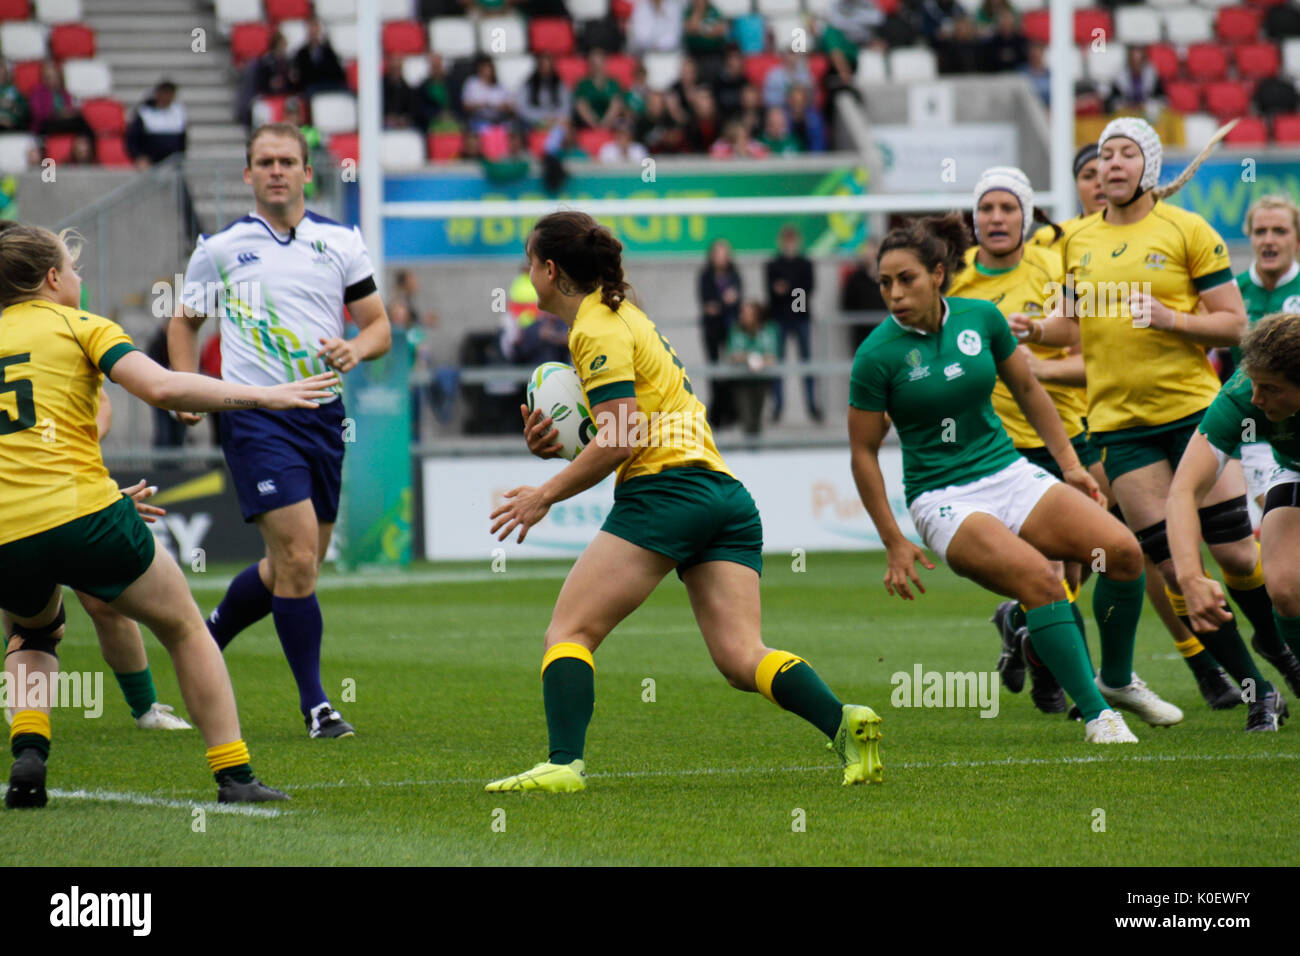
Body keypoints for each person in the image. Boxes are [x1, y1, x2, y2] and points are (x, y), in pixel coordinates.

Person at [484, 211, 884, 791]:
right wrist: (559, 449)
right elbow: (620, 426)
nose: (527, 273)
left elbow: (622, 436)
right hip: (723, 494)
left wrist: (545, 494)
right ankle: (844, 723)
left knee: (568, 633)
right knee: (743, 657)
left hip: (665, 492)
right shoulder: (627, 316)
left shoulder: (594, 328)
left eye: (529, 262)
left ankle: (564, 764)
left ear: (549, 269)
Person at [0, 220, 337, 807]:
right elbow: (162, 389)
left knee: (31, 629)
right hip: (85, 514)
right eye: (72, 269)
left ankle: (30, 752)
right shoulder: (82, 326)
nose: (77, 278)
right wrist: (264, 395)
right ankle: (234, 777)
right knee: (183, 626)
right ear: (52, 279)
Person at [848, 212, 1183, 743]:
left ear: (938, 273)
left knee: (1120, 552)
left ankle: (1116, 681)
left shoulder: (982, 318)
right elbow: (863, 452)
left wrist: (1070, 467)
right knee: (1044, 582)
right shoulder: (875, 356)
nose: (893, 293)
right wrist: (893, 539)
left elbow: (1030, 392)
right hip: (943, 498)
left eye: (905, 278)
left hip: (1009, 473)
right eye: (884, 283)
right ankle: (1099, 715)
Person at [1009, 118, 1288, 731]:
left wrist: (1171, 319)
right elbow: (1074, 328)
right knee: (1174, 571)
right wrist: (1033, 333)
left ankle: (1277, 646)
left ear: (1149, 168)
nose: (1110, 163)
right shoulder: (1075, 240)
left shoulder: (1187, 230)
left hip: (1194, 415)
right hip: (1120, 428)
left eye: (1125, 153)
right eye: (1104, 154)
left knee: (1238, 556)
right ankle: (1256, 691)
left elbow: (1236, 325)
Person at [168, 123, 392, 740]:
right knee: (296, 557)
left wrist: (355, 348)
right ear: (247, 174)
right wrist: (187, 386)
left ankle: (209, 634)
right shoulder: (219, 247)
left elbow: (378, 327)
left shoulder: (341, 240)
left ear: (306, 171)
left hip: (321, 415)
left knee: (297, 566)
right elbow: (183, 324)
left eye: (286, 161)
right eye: (264, 161)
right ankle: (318, 706)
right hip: (255, 415)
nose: (275, 170)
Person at [947, 167, 1100, 714]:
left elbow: (1082, 332)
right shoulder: (954, 277)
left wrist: (1033, 332)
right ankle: (1079, 691)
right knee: (1048, 573)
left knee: (1078, 564)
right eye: (986, 208)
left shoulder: (1054, 263)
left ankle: (1022, 631)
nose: (995, 218)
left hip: (1064, 426)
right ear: (973, 218)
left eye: (1007, 208)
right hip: (995, 447)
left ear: (1027, 215)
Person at [1168, 312, 1300, 729]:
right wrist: (1190, 576)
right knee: (1285, 588)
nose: (1257, 398)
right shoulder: (1241, 395)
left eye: (1272, 389)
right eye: (1255, 383)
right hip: (1294, 469)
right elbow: (1184, 491)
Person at [1231, 196, 1300, 517]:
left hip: (1296, 424)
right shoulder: (1231, 293)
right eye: (1260, 231)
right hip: (1253, 429)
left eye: (1280, 231)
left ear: (1296, 239)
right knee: (1275, 518)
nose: (1269, 240)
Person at [765, 224, 821, 422]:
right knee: (777, 365)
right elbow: (773, 292)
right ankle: (778, 407)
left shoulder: (805, 264)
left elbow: (806, 291)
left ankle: (812, 405)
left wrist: (788, 289)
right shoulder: (773, 264)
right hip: (780, 319)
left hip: (800, 317)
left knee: (806, 364)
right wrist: (793, 289)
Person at [699, 238, 740, 429]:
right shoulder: (706, 275)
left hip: (730, 328)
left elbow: (736, 301)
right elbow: (708, 306)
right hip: (712, 330)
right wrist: (725, 302)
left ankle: (731, 411)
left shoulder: (734, 274)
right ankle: (716, 413)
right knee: (714, 370)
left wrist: (720, 305)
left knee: (732, 368)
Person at [726, 300, 779, 437]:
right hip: (742, 381)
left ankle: (756, 454)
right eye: (741, 313)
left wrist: (757, 359)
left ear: (757, 315)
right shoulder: (736, 329)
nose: (742, 316)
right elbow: (733, 355)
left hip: (761, 380)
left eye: (747, 313)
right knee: (747, 418)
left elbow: (772, 356)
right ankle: (749, 452)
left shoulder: (769, 329)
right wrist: (751, 357)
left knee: (757, 420)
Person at [125, 80, 187, 169]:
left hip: (173, 163)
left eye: (170, 94)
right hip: (151, 163)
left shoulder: (178, 111)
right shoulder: (145, 112)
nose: (167, 97)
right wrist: (138, 156)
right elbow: (132, 138)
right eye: (165, 93)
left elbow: (182, 139)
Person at [292, 18, 346, 96]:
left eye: (315, 29)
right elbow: (300, 75)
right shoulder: (301, 53)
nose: (313, 32)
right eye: (311, 29)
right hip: (312, 86)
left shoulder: (328, 50)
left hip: (329, 84)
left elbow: (337, 71)